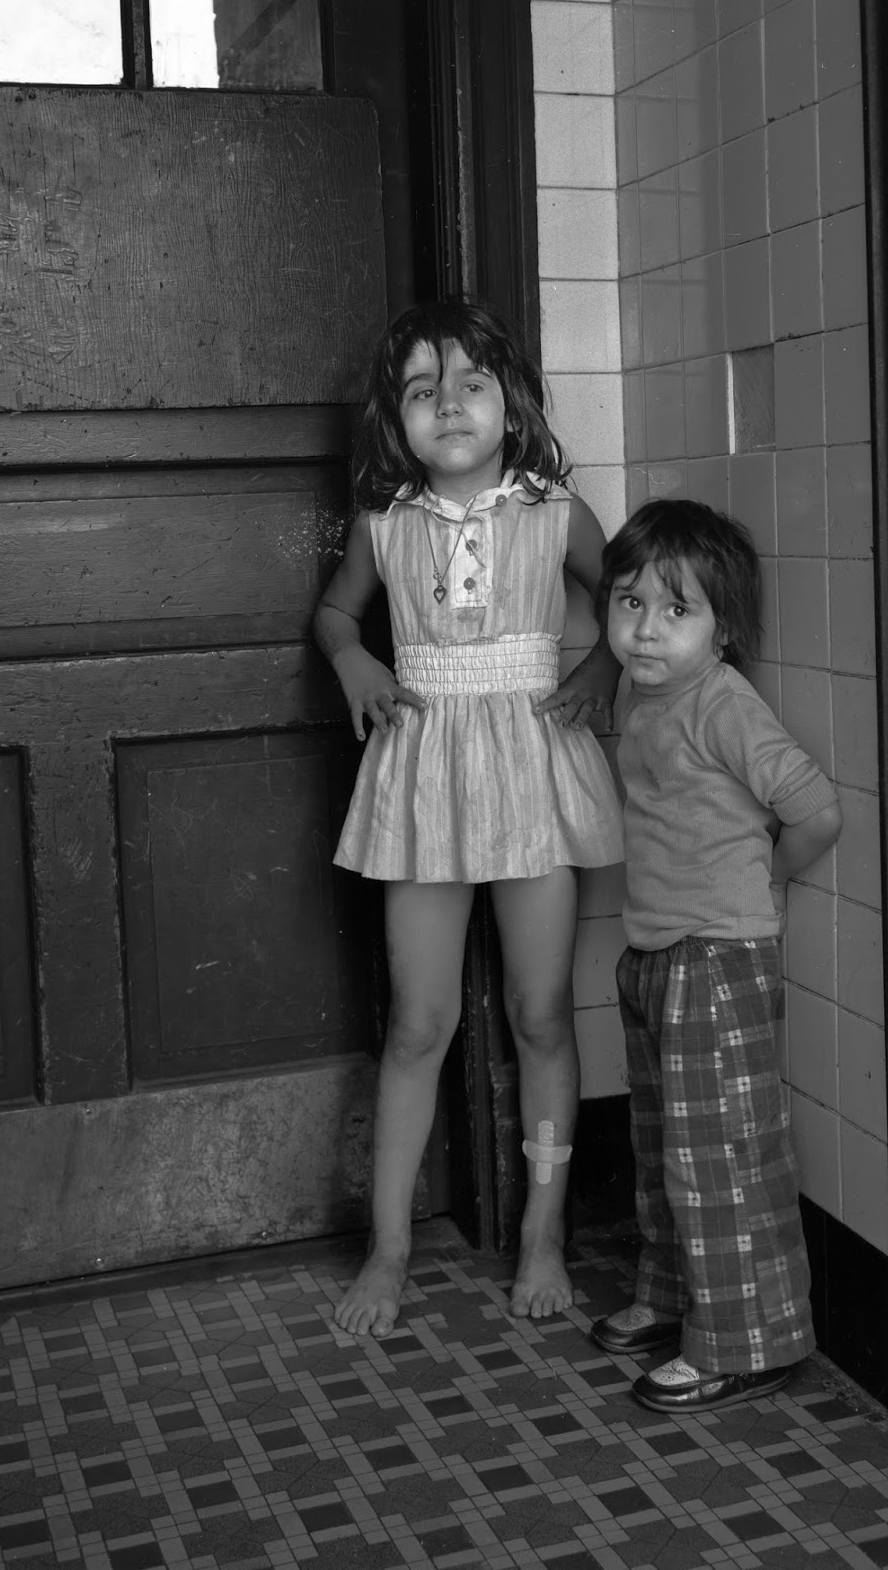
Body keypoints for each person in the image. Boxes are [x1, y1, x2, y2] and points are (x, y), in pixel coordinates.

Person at [313, 299, 624, 1338]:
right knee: (417, 1024)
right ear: (394, 419)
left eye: (469, 385)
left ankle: (542, 1231)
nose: (447, 404)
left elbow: (634, 597)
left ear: (509, 403)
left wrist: (598, 672)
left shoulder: (554, 512)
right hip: (423, 780)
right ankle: (389, 1249)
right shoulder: (383, 523)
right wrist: (354, 656)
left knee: (540, 1013)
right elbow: (332, 612)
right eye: (420, 389)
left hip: (532, 774)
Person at [588, 498, 842, 1412]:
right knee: (662, 1143)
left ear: (724, 629)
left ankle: (748, 1341)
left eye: (676, 609)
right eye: (629, 603)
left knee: (719, 1156)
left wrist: (763, 883)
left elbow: (816, 809)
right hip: (656, 952)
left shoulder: (724, 703)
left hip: (717, 959)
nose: (646, 628)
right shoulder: (640, 689)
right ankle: (676, 1296)